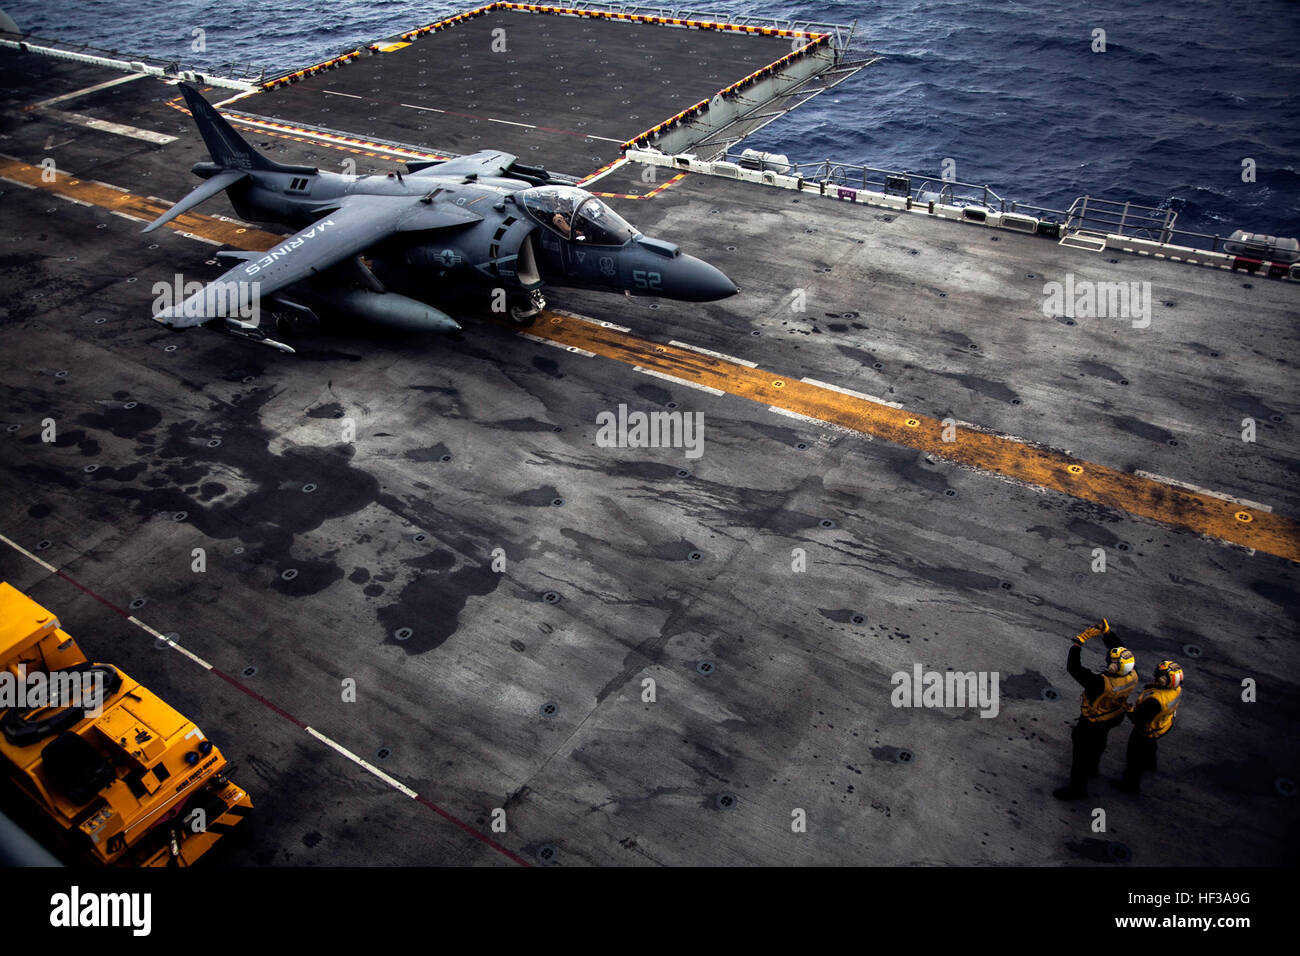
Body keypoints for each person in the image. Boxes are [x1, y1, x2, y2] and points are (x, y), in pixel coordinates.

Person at [1054, 619, 1138, 800]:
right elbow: (1121, 650)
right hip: (1114, 716)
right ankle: (1093, 767)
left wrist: (1078, 643)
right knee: (1100, 742)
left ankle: (1077, 789)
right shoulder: (1133, 674)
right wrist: (1107, 634)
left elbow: (1074, 668)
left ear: (1115, 666)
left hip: (1092, 721)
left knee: (1079, 757)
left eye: (1112, 661)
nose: (1110, 662)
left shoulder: (1100, 684)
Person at [1115, 661, 1183, 794]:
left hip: (1147, 731)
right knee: (1151, 746)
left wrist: (1128, 708)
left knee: (1134, 759)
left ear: (1164, 679)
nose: (1156, 676)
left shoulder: (1154, 701)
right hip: (1163, 725)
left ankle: (1130, 786)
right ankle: (1150, 764)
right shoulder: (1176, 689)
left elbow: (1138, 718)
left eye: (1159, 675)